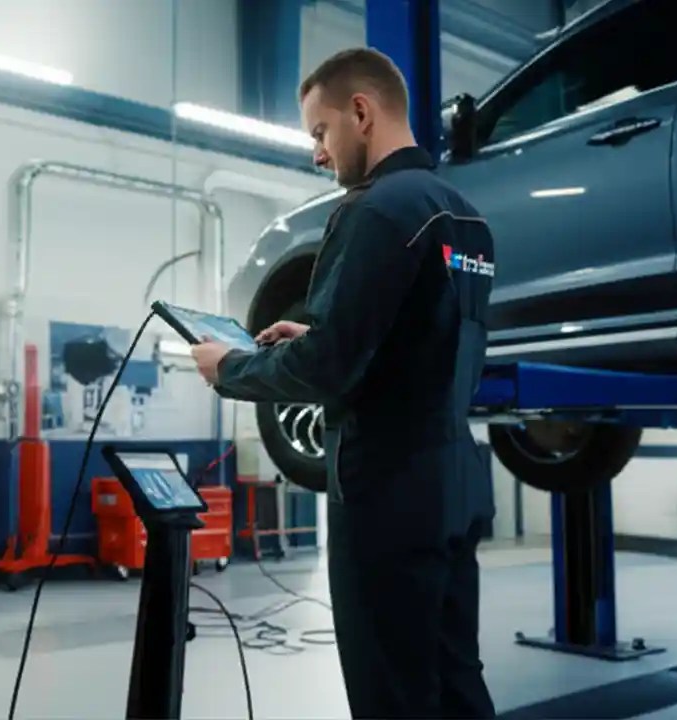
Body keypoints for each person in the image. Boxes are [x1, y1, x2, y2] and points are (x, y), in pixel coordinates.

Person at [191, 48, 497, 719]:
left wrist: (230, 370)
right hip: (455, 483)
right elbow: (424, 339)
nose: (317, 155)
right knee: (455, 680)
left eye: (320, 133)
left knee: (392, 694)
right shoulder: (465, 218)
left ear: (361, 113)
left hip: (386, 494)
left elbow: (328, 369)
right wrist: (320, 333)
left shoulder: (376, 210)